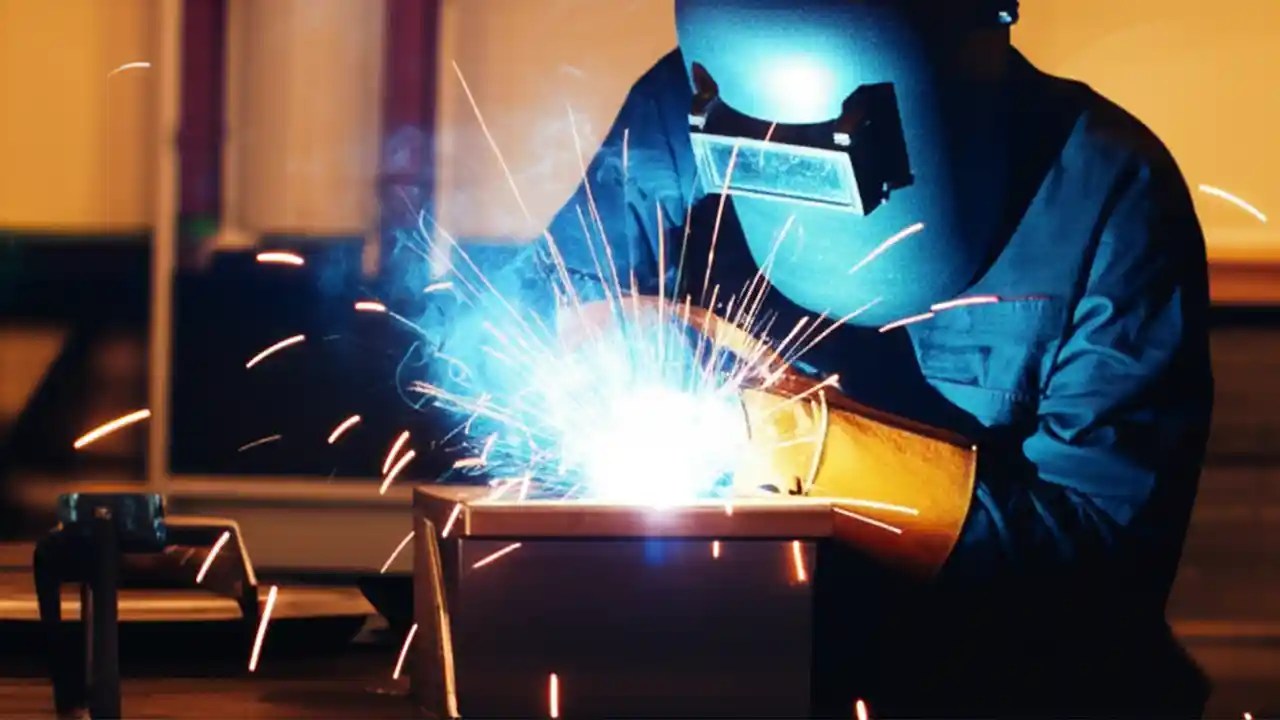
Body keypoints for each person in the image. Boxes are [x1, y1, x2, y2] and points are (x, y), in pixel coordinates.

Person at [421, 0, 1214, 715]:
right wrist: (586, 351)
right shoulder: (694, 102)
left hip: (1004, 689)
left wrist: (792, 442)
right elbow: (521, 330)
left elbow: (1100, 574)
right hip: (740, 673)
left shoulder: (1110, 193)